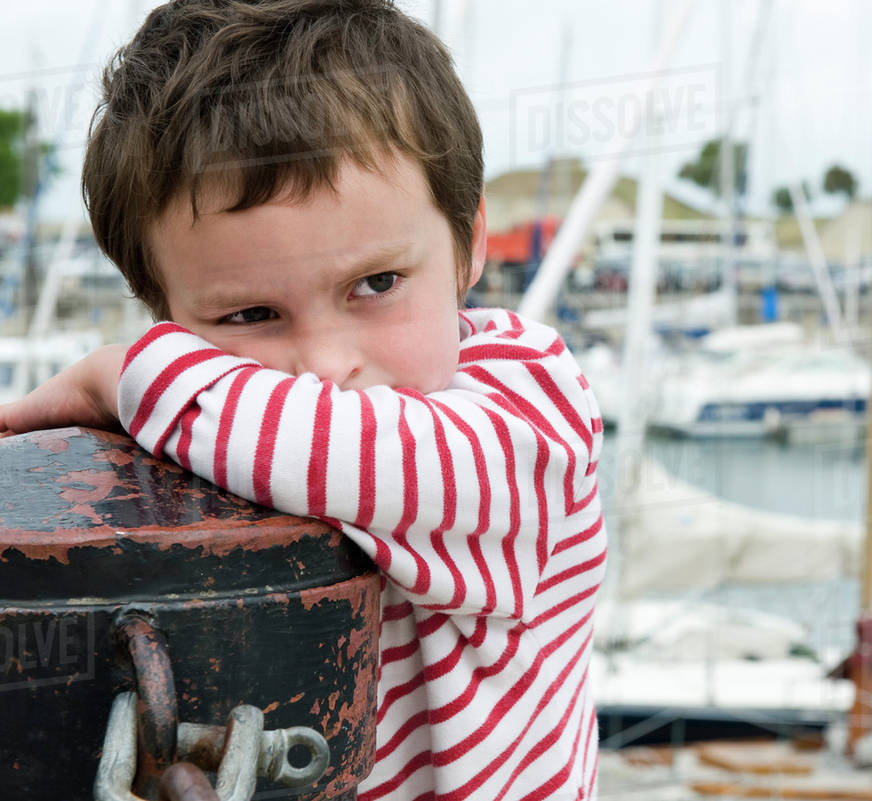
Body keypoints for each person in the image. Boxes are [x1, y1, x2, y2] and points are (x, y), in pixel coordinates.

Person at [0, 1, 607, 799]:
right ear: (167, 315)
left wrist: (122, 377)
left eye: (377, 283)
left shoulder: (531, 401)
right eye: (250, 314)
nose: (323, 368)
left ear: (469, 243)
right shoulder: (224, 426)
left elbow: (359, 452)